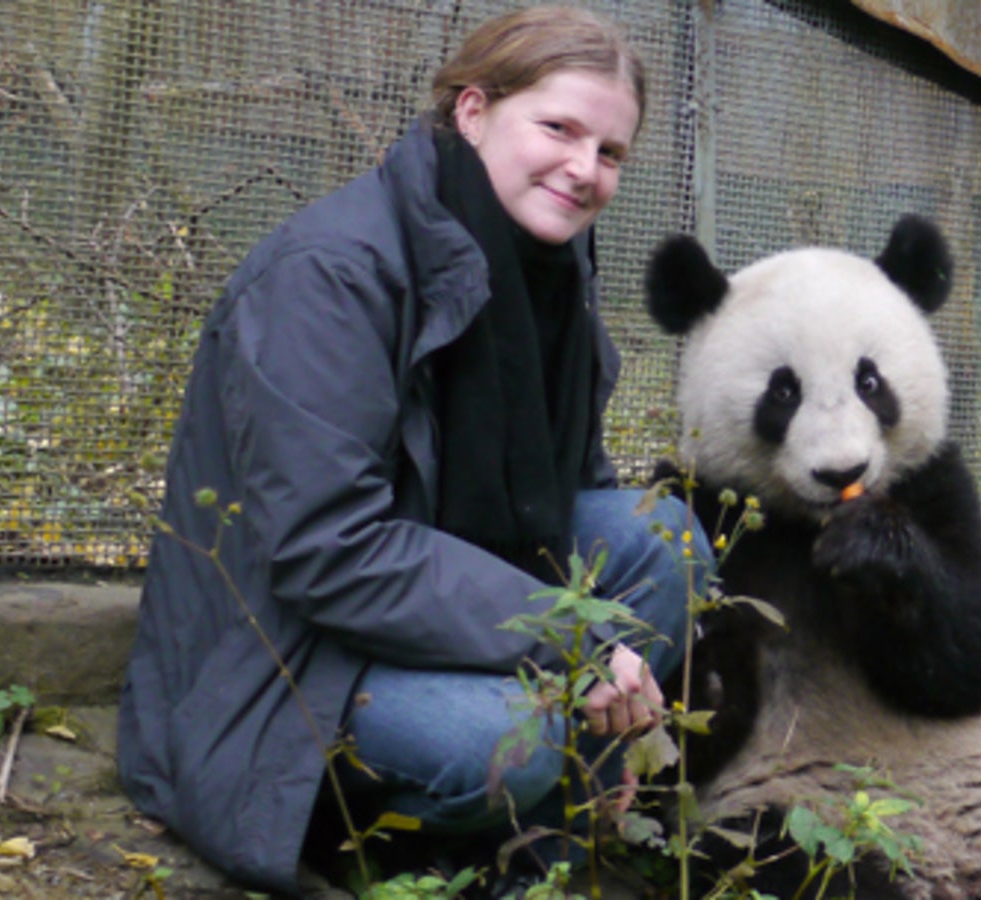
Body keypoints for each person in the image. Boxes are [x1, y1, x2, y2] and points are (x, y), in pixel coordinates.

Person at [116, 7, 706, 895]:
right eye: (558, 129)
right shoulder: (331, 273)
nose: (584, 171)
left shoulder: (551, 267)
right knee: (505, 741)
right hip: (290, 654)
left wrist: (595, 653)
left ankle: (549, 830)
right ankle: (388, 829)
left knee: (666, 540)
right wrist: (572, 639)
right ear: (472, 112)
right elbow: (330, 550)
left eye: (611, 152)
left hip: (439, 586)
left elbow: (567, 486)